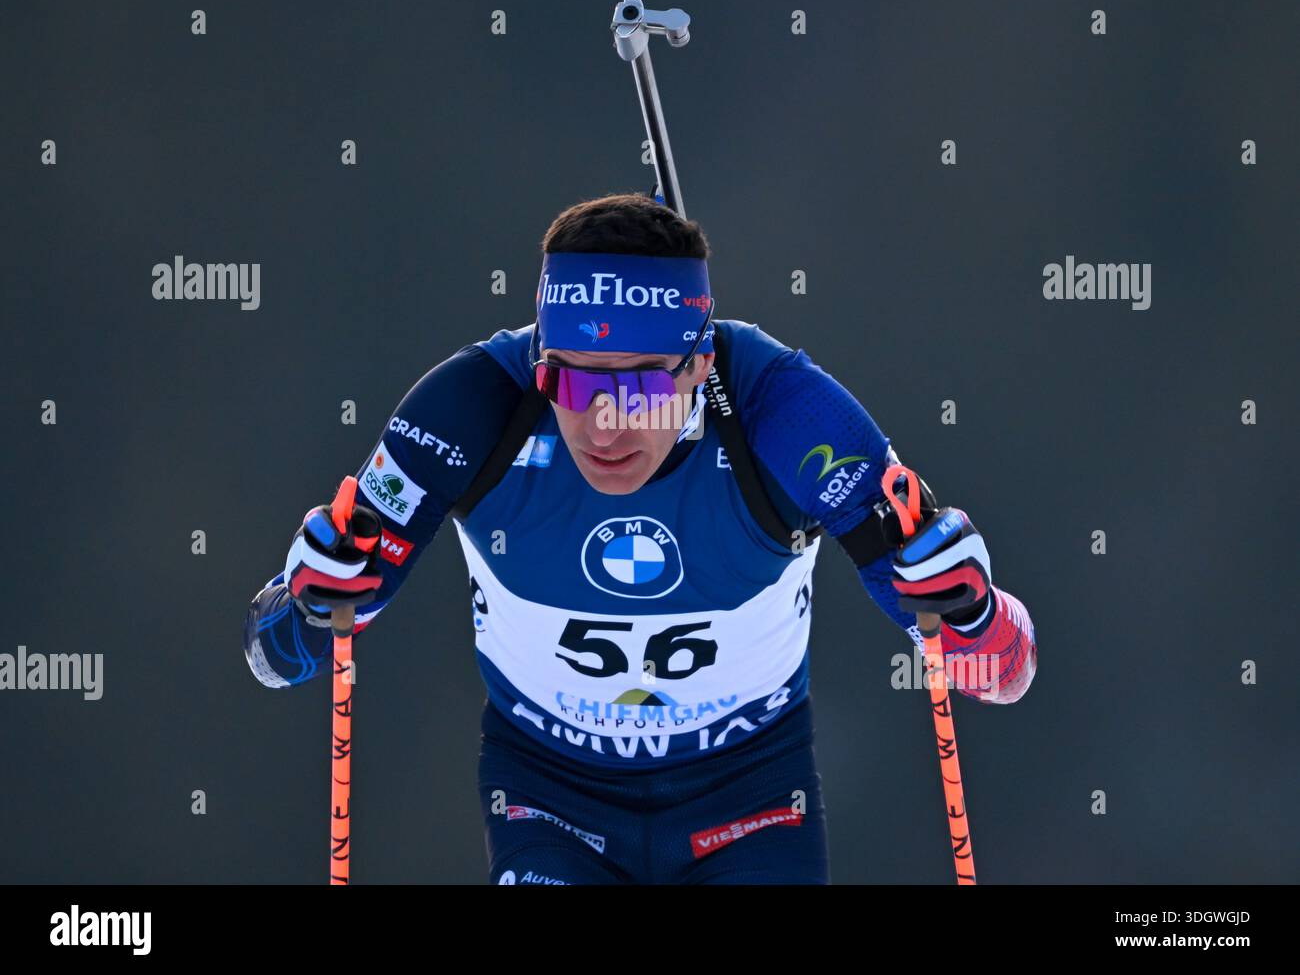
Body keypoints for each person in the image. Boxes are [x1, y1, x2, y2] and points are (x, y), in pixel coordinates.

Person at [243, 192, 1038, 884]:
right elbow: (275, 655)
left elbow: (1002, 672)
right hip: (549, 796)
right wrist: (308, 605)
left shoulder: (780, 411)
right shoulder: (473, 406)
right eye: (574, 380)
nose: (604, 422)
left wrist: (971, 611)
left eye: (639, 385)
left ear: (698, 364)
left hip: (751, 796)